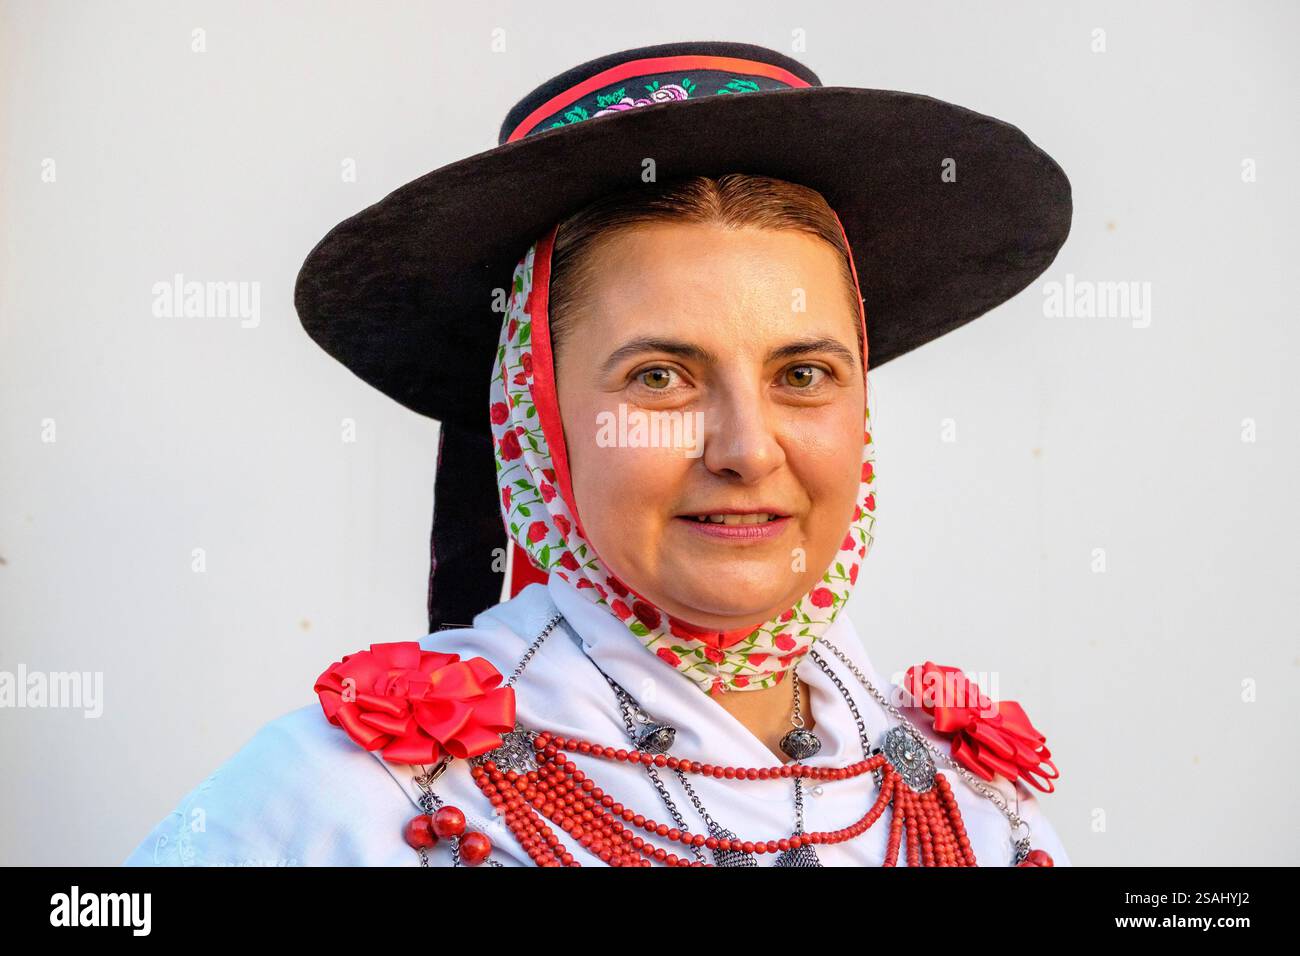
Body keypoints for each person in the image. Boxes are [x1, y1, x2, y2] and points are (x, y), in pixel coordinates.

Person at [124, 40, 1071, 867]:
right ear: (535, 424)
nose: (746, 448)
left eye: (805, 374)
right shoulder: (346, 806)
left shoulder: (980, 812)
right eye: (661, 377)